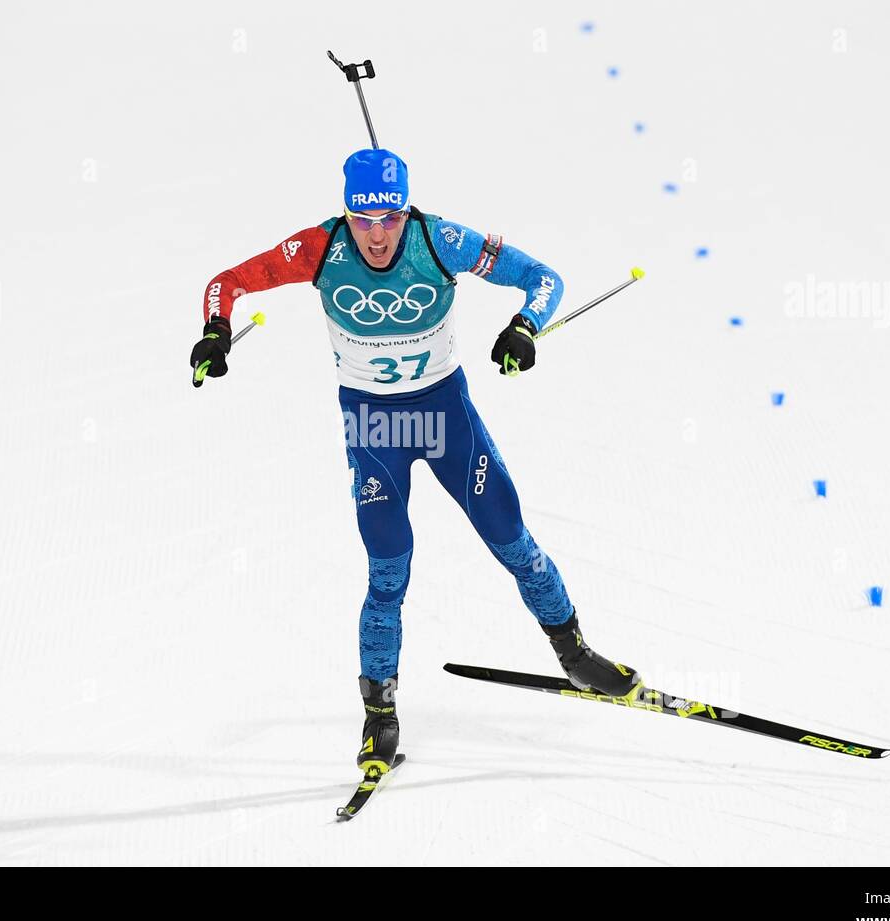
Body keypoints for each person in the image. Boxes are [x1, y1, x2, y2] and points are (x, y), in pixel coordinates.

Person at [191, 148, 640, 776]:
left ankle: (574, 652)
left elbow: (544, 278)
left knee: (512, 541)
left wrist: (525, 326)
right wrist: (215, 331)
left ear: (406, 210)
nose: (377, 235)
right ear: (345, 212)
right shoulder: (319, 249)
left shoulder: (440, 241)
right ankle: (380, 716)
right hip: (375, 425)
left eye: (390, 217)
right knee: (388, 568)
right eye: (363, 218)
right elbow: (227, 282)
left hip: (446, 417)